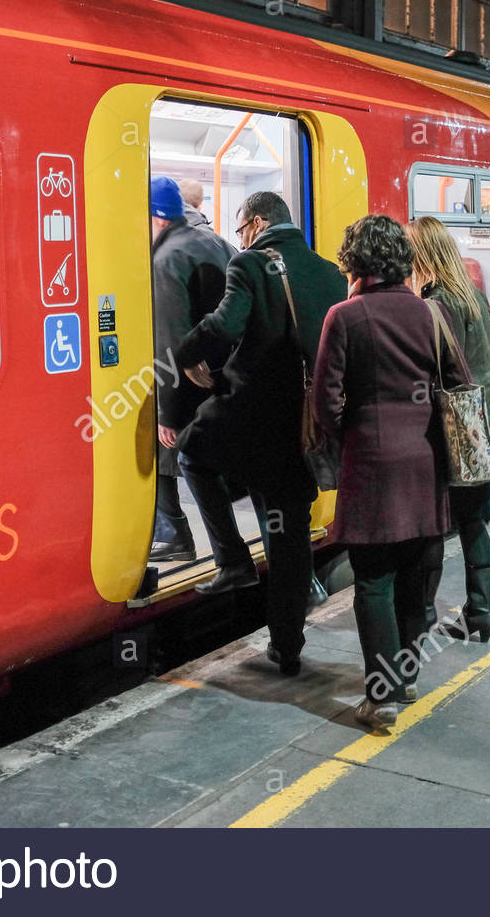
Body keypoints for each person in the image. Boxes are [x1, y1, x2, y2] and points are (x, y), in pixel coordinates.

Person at [175, 191, 345, 674]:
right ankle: (286, 647)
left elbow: (224, 325)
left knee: (192, 452)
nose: (239, 235)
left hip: (252, 418)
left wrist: (187, 354)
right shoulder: (329, 271)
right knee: (288, 536)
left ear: (256, 222)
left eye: (240, 225)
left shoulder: (249, 264)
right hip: (307, 423)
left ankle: (232, 560)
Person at [312, 214, 462, 729]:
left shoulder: (344, 317)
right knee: (416, 576)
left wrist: (351, 434)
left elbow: (326, 404)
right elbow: (459, 382)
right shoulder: (430, 314)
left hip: (373, 467)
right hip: (426, 464)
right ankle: (408, 676)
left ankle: (382, 699)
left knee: (373, 581)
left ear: (354, 261)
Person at [407, 216, 490, 645]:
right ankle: (479, 611)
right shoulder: (473, 295)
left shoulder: (434, 304)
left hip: (455, 426)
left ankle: (424, 612)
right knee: (474, 522)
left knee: (434, 522)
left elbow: (434, 372)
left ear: (423, 253)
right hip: (488, 417)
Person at [148, 176, 240, 563]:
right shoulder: (221, 243)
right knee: (207, 459)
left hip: (187, 374)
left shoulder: (166, 257)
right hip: (222, 372)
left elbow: (169, 337)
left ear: (156, 218)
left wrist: (167, 413)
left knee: (168, 448)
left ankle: (173, 532)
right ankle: (232, 555)